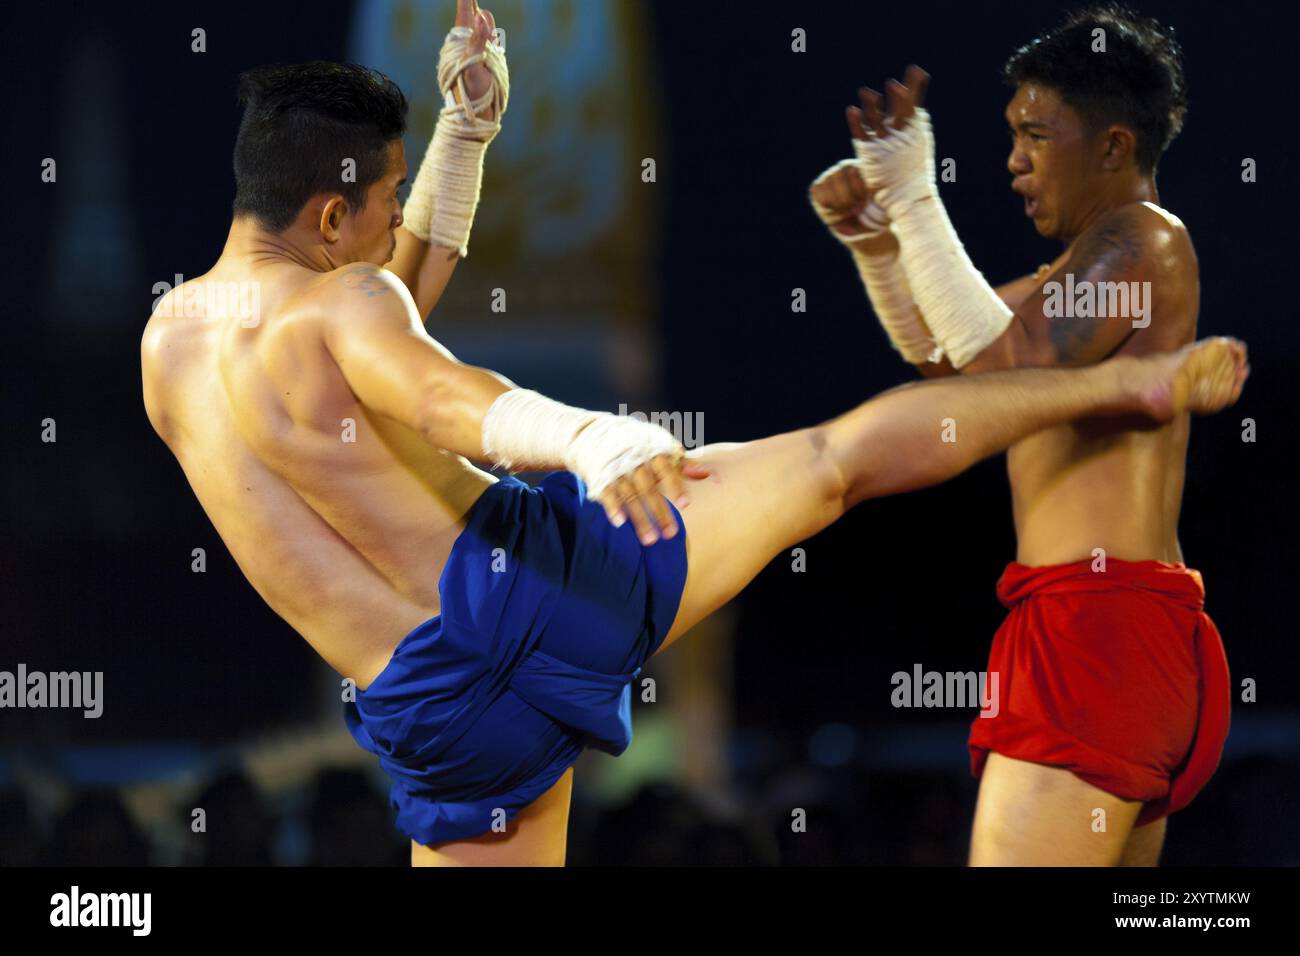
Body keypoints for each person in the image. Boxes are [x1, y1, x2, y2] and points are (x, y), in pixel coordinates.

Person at [142, 3, 1248, 865]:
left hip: (430, 702)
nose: (396, 231)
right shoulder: (347, 303)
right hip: (530, 592)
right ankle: (1148, 387)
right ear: (332, 216)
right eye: (386, 203)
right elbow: (436, 387)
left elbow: (969, 364)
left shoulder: (173, 344)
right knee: (831, 459)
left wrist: (465, 140)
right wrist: (589, 439)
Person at [810, 6, 1234, 865]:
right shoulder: (1067, 279)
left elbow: (1011, 357)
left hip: (1097, 629)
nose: (1012, 163)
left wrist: (916, 196)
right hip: (1110, 630)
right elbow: (958, 374)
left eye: (1035, 135)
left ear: (1114, 147)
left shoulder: (1149, 243)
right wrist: (881, 249)